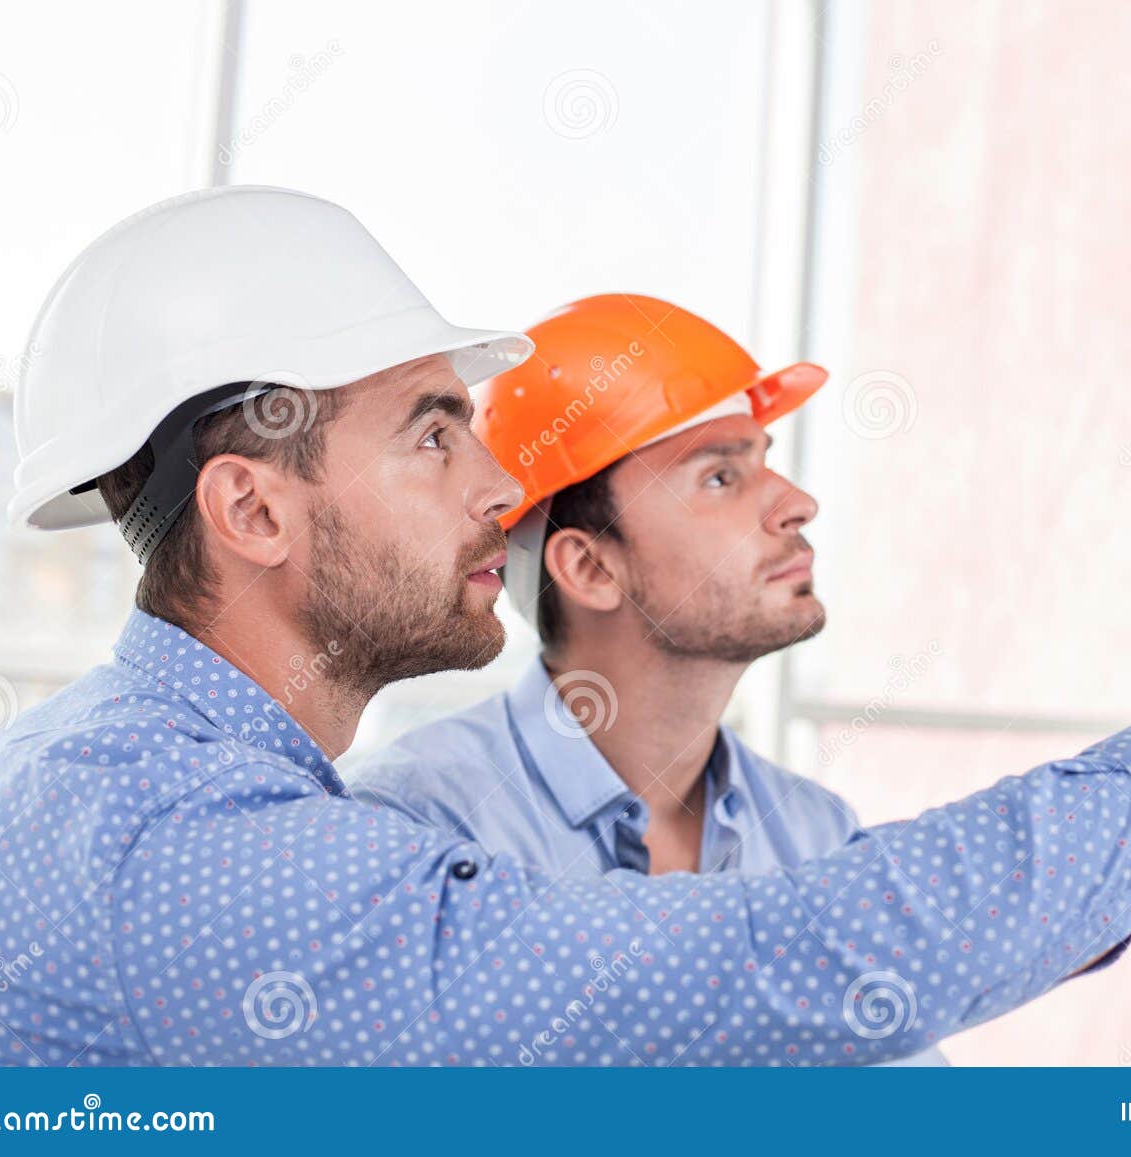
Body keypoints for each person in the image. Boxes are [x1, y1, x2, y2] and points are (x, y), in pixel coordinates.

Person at [0, 186, 1131, 1066]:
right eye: (432, 435)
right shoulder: (205, 850)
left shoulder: (137, 783)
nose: (495, 489)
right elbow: (777, 963)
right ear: (254, 511)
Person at [348, 294, 959, 1060]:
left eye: (764, 461)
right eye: (720, 477)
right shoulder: (416, 829)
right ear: (590, 566)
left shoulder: (815, 834)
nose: (798, 504)